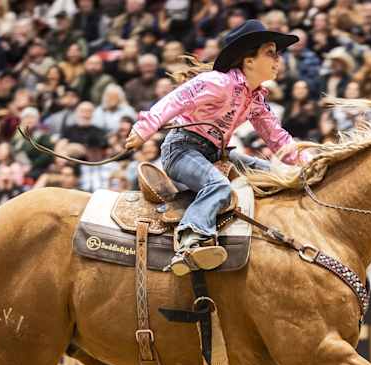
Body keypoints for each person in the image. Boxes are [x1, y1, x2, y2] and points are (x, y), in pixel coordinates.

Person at [125, 20, 306, 276]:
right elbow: (176, 100)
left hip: (215, 153)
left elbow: (277, 138)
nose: (278, 59)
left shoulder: (256, 99)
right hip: (182, 150)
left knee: (274, 175)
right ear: (248, 60)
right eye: (270, 52)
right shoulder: (217, 82)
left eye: (277, 53)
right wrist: (144, 129)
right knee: (218, 186)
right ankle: (190, 238)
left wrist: (308, 164)